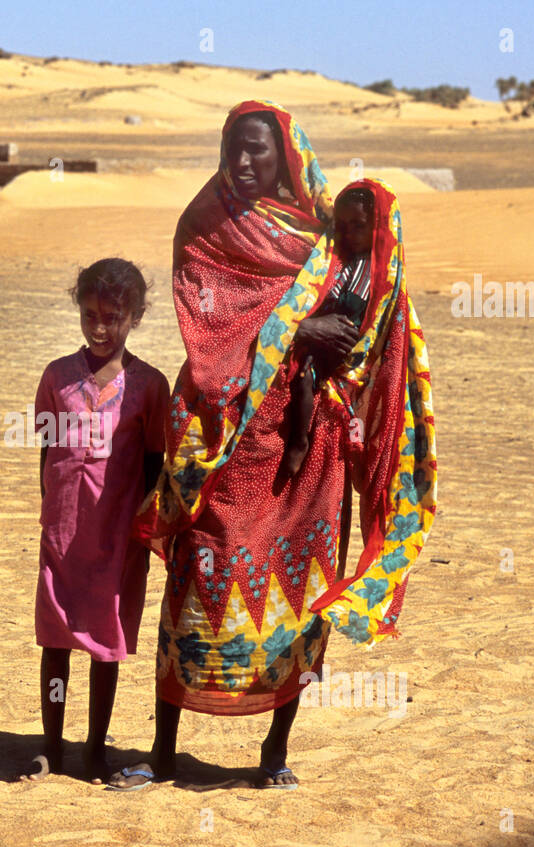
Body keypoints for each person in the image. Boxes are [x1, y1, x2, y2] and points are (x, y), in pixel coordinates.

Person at [110, 102, 437, 792]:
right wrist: (301, 330)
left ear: (286, 156)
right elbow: (211, 325)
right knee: (201, 572)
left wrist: (332, 342)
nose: (245, 162)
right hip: (224, 429)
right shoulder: (205, 225)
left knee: (299, 591)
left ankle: (274, 752)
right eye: (234, 148)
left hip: (308, 441)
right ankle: (164, 755)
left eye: (259, 150)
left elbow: (378, 300)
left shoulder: (320, 233)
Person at [19, 259, 170, 785]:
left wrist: (141, 529)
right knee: (55, 640)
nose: (100, 328)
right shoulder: (57, 376)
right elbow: (46, 451)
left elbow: (154, 464)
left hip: (117, 537)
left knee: (106, 644)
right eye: (89, 316)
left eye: (113, 317)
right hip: (62, 532)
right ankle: (51, 747)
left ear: (136, 316)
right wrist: (53, 510)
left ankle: (95, 749)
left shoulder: (150, 385)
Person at [280, 186, 375, 478]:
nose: (349, 233)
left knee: (309, 379)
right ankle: (300, 438)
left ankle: (301, 441)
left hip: (347, 347)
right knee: (304, 377)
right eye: (343, 226)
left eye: (358, 226)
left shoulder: (383, 270)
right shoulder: (334, 259)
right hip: (321, 340)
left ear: (376, 226)